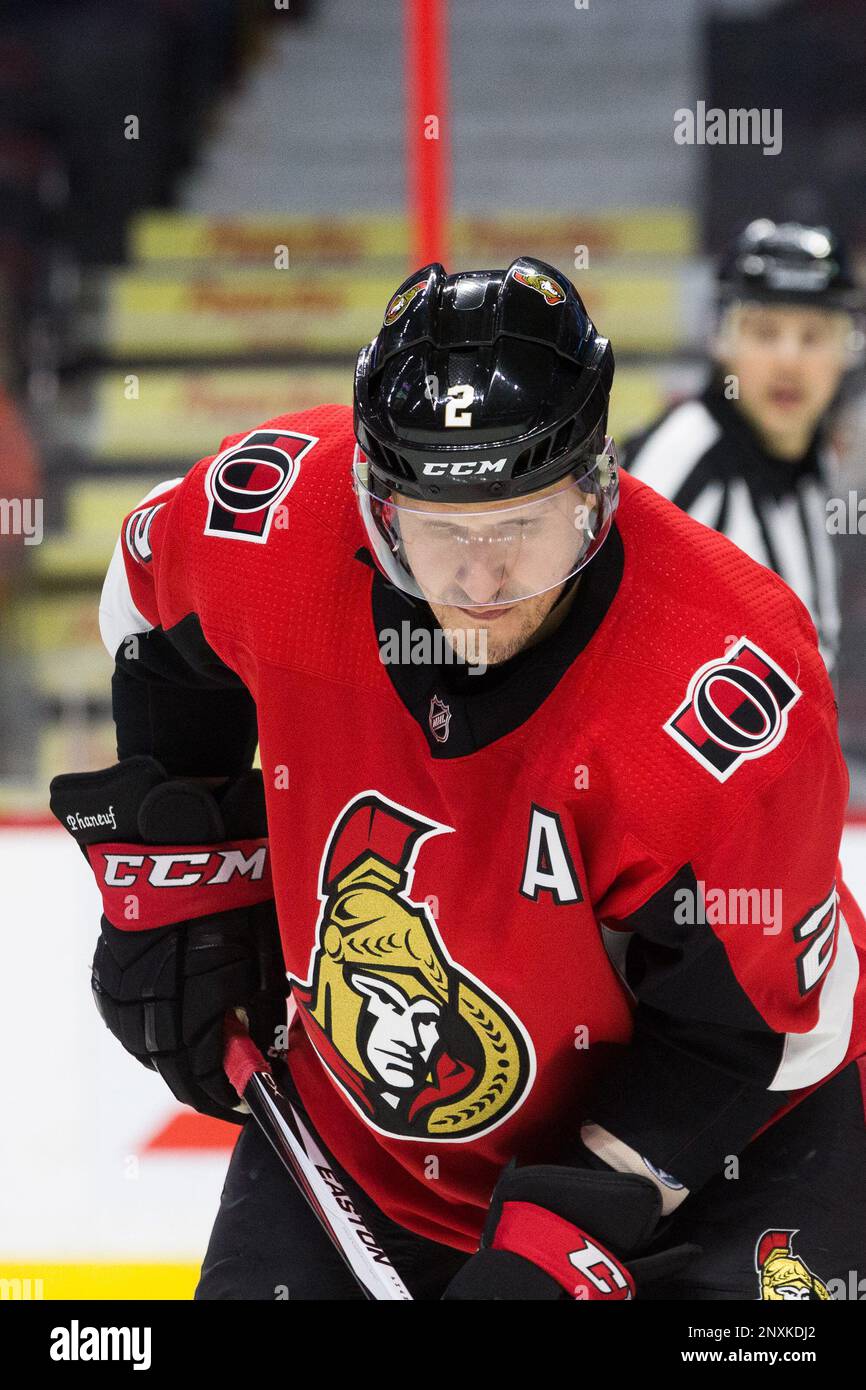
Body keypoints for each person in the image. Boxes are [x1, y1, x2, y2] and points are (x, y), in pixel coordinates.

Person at [50, 257, 866, 1301]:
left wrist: (572, 1221)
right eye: (439, 536)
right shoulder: (278, 519)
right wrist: (187, 881)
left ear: (592, 486)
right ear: (377, 503)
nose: (479, 585)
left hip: (719, 1159)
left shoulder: (725, 684)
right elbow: (147, 614)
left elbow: (763, 1031)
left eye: (519, 528)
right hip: (364, 1137)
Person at [622, 220, 863, 674]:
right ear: (723, 341)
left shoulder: (813, 459)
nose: (788, 360)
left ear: (846, 349)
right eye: (764, 332)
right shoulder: (681, 455)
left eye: (813, 336)